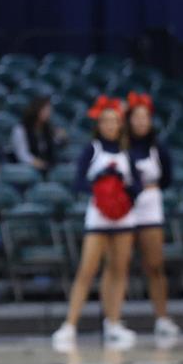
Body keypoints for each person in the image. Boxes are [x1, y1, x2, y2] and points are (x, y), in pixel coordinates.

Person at [52, 97, 137, 350]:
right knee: (87, 270)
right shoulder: (92, 150)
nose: (110, 126)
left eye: (114, 121)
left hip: (123, 216)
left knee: (119, 269)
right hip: (98, 215)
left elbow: (137, 183)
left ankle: (113, 323)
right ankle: (70, 324)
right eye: (106, 121)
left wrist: (123, 192)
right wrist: (101, 185)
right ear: (98, 124)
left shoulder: (126, 152)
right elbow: (77, 182)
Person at [111, 92, 180, 345]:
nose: (141, 122)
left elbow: (168, 178)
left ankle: (162, 317)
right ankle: (115, 319)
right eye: (137, 117)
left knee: (155, 264)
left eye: (146, 117)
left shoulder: (157, 147)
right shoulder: (121, 145)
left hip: (151, 204)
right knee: (121, 264)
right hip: (126, 205)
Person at [10, 95, 63, 170]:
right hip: (28, 169)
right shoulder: (21, 129)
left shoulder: (48, 129)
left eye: (49, 110)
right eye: (45, 110)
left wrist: (61, 137)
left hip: (47, 166)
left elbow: (54, 145)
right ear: (37, 110)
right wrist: (35, 162)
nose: (48, 113)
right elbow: (22, 154)